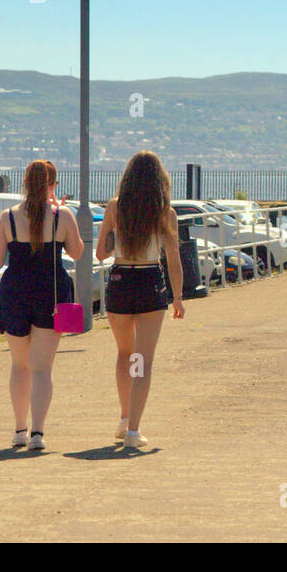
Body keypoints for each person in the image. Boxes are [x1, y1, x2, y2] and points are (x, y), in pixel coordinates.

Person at [0, 159, 83, 451]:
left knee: (20, 366)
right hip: (51, 292)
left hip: (15, 292)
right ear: (52, 185)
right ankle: (38, 435)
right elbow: (78, 253)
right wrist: (59, 208)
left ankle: (19, 429)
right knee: (42, 369)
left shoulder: (7, 218)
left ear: (26, 184)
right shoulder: (62, 216)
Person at [94, 150, 185, 450]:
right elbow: (173, 261)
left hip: (120, 279)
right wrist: (178, 298)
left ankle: (123, 418)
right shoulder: (165, 213)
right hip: (149, 282)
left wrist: (114, 233)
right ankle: (134, 429)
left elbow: (101, 253)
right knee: (142, 361)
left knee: (125, 354)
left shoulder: (114, 208)